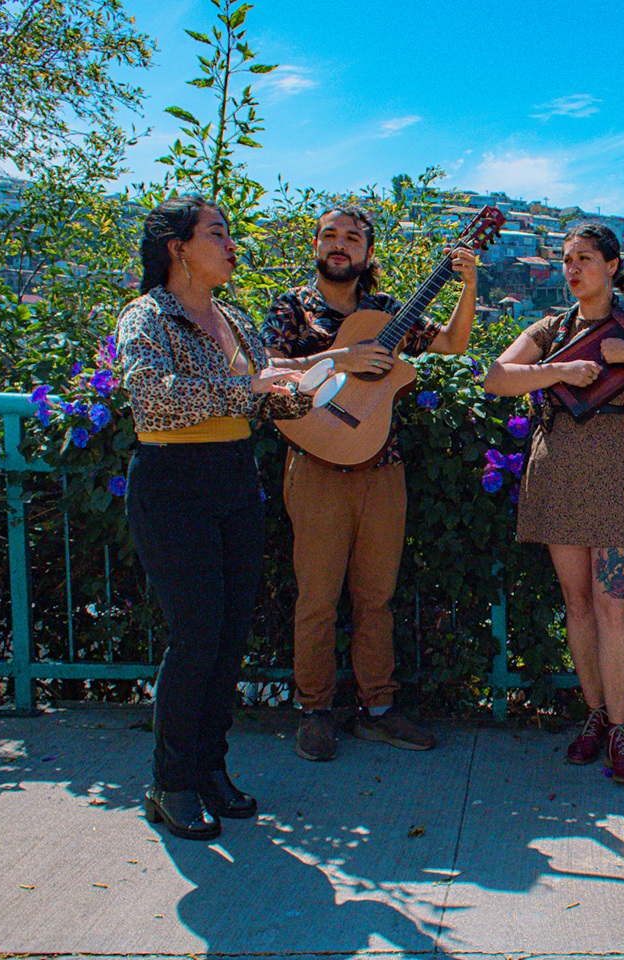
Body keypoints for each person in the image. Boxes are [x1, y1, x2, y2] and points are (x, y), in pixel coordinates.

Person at [118, 195, 310, 841]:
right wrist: (249, 391)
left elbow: (262, 392)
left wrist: (297, 392)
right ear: (178, 248)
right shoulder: (146, 316)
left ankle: (210, 770)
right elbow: (153, 397)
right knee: (196, 633)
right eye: (218, 234)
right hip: (172, 483)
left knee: (229, 634)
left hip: (233, 476)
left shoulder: (231, 315)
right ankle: (169, 783)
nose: (232, 245)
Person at [262, 206, 478, 762]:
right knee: (316, 598)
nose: (340, 245)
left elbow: (453, 344)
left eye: (352, 238)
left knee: (376, 598)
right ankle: (314, 711)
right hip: (316, 465)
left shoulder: (388, 312)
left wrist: (468, 283)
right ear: (316, 245)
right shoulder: (292, 305)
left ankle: (377, 710)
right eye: (330, 235)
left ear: (368, 254)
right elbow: (270, 370)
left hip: (382, 467)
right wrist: (341, 356)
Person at [483, 223, 624, 785]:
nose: (573, 269)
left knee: (612, 604)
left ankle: (621, 732)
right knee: (576, 602)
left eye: (585, 259)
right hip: (561, 472)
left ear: (615, 266)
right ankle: (595, 717)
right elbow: (496, 377)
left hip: (622, 473)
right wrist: (559, 370)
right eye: (567, 259)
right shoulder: (550, 328)